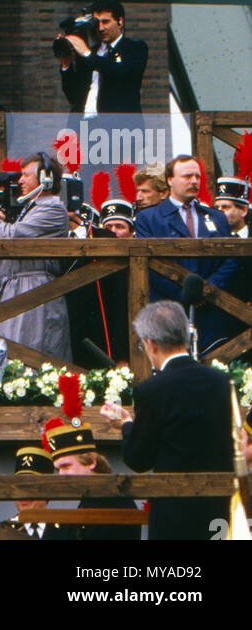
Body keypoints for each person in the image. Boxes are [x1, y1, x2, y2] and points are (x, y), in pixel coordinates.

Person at [100, 299, 234, 540]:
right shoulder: (221, 382)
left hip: (174, 513)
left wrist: (127, 426)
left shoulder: (151, 390)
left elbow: (139, 459)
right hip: (218, 507)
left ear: (150, 344)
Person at [0, 153, 72, 362]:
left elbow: (11, 238)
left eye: (26, 175)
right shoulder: (30, 208)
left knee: (29, 357)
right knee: (8, 357)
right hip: (16, 289)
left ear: (46, 180)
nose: (20, 181)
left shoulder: (52, 208)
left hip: (34, 290)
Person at [133, 154, 238, 351]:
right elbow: (148, 265)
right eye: (187, 176)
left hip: (210, 311)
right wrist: (185, 294)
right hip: (168, 312)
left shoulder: (216, 217)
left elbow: (230, 259)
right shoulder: (149, 218)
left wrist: (205, 290)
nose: (194, 181)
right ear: (170, 180)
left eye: (197, 177)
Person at [43, 405, 141, 541]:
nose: (61, 474)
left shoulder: (113, 501)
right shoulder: (93, 498)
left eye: (66, 466)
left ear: (91, 462)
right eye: (58, 469)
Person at [58, 0, 147, 116]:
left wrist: (87, 54)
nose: (100, 28)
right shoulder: (90, 52)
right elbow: (74, 97)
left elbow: (123, 73)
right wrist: (66, 64)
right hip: (84, 127)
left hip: (118, 129)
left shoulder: (135, 48)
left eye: (105, 22)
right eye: (97, 22)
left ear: (120, 21)